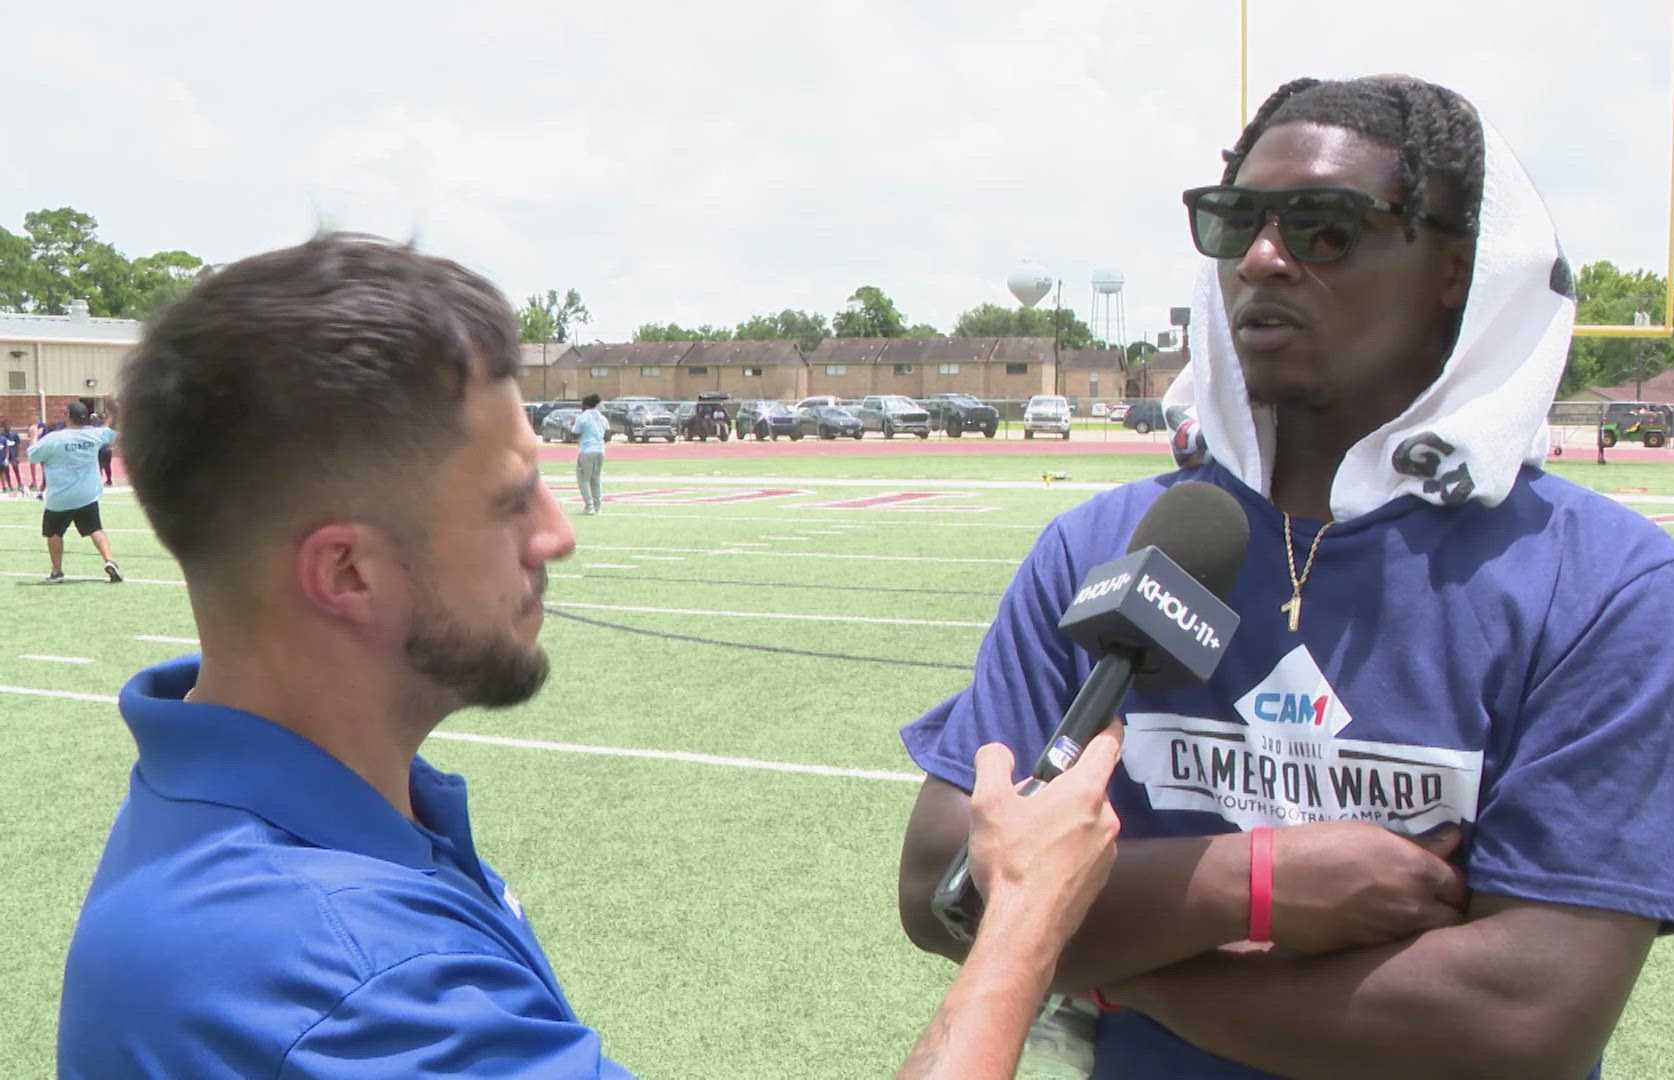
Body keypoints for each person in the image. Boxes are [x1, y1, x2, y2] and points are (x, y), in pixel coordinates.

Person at [59, 233, 1123, 1080]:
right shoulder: (338, 971)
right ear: (346, 575)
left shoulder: (242, 809)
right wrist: (1023, 923)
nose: (556, 534)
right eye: (511, 498)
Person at [897, 75, 1674, 1080]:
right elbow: (941, 883)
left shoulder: (1604, 584)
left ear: (1457, 268)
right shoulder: (1104, 543)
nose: (1267, 260)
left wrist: (1090, 963)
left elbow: (1524, 1017)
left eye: (1329, 229)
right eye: (1239, 223)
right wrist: (1259, 883)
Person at [25, 401, 122, 584]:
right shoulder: (93, 435)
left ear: (68, 415)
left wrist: (33, 437)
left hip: (60, 496)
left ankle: (57, 572)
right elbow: (110, 433)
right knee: (95, 529)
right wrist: (113, 414)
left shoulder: (54, 438)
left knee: (54, 533)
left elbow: (33, 456)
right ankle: (110, 560)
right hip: (86, 495)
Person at [572, 392, 610, 514]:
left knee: (583, 479)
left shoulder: (582, 417)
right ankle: (597, 506)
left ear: (586, 405)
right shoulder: (602, 418)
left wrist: (572, 425)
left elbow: (574, 434)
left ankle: (589, 506)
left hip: (587, 451)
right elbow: (608, 436)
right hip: (600, 450)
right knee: (596, 478)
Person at [92, 411, 116, 484]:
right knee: (107, 465)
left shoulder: (95, 430)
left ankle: (99, 481)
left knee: (99, 465)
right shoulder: (108, 429)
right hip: (108, 449)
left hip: (100, 449)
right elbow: (114, 436)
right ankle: (109, 480)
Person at [0, 420, 21, 495]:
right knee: (6, 471)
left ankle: (19, 485)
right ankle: (9, 485)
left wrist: (18, 456)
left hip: (13, 455)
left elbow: (18, 445)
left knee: (16, 470)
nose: (7, 427)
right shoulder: (2, 437)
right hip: (4, 456)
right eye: (5, 426)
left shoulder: (14, 435)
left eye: (8, 426)